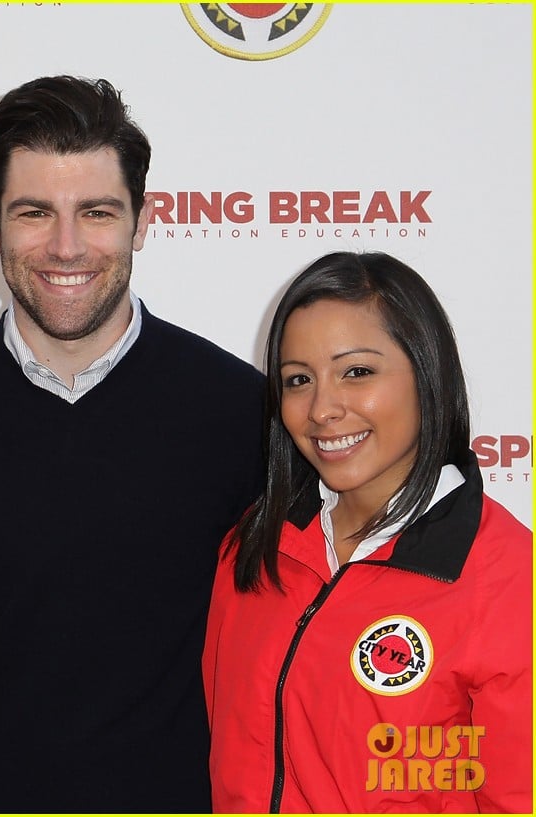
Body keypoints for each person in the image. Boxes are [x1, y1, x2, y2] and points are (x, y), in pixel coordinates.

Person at [0, 75, 265, 811]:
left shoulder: (236, 408)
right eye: (34, 212)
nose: (66, 246)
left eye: (96, 212)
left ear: (141, 221)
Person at [203, 251, 532, 812]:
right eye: (298, 380)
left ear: (426, 373)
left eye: (357, 372)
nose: (322, 409)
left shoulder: (509, 580)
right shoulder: (255, 545)